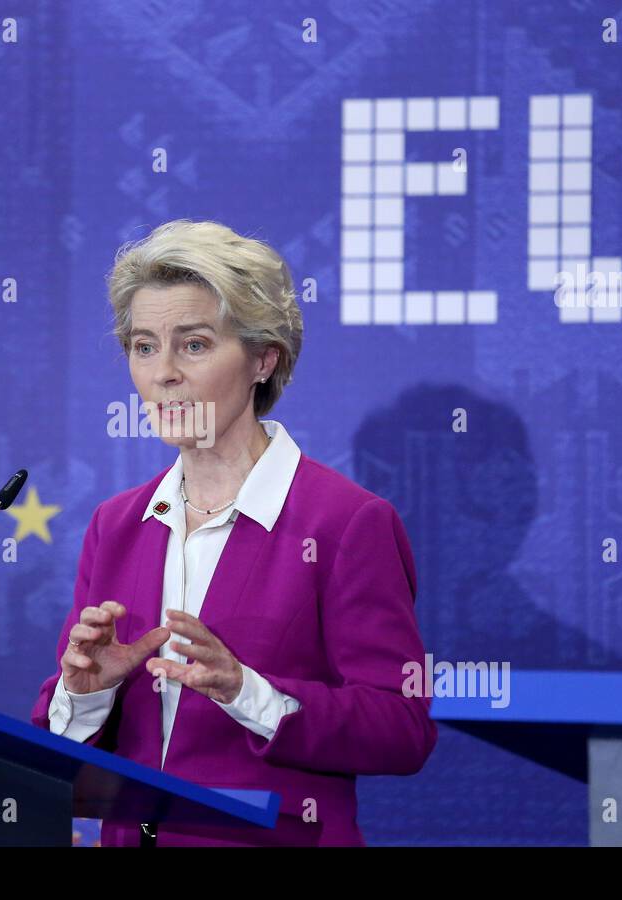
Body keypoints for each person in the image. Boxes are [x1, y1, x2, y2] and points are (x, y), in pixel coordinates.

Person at [30, 219, 436, 846]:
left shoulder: (346, 522)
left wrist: (247, 691)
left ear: (262, 357)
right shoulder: (117, 526)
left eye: (192, 345)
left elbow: (402, 727)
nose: (163, 373)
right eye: (143, 346)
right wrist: (87, 694)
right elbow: (64, 748)